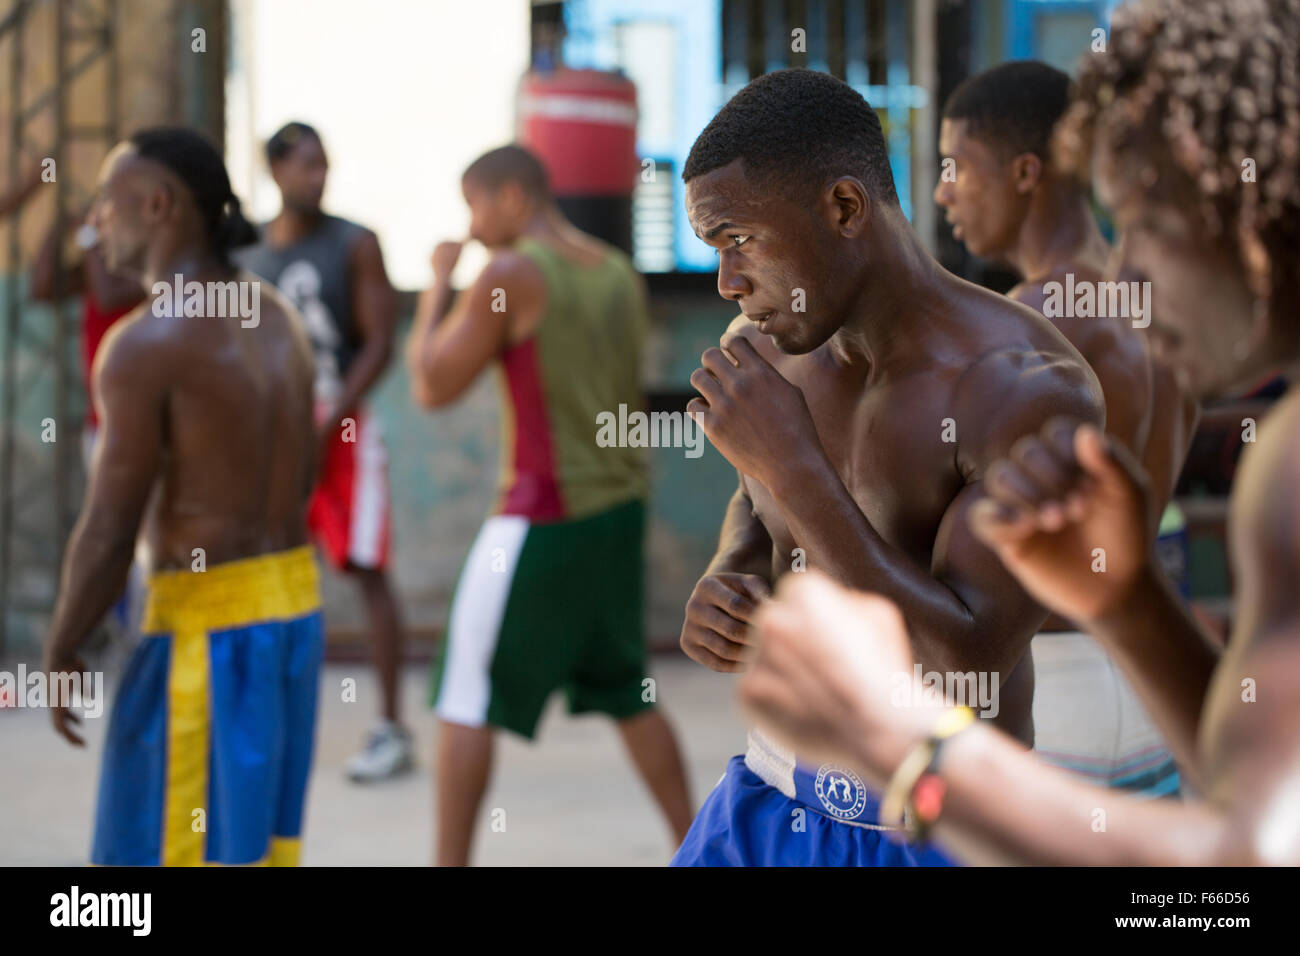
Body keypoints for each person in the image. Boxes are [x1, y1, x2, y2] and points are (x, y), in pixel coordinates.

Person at [738, 0, 1300, 866]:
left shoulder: (1019, 344)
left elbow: (1239, 869)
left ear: (1254, 206)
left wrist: (903, 748)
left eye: (1148, 222)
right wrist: (1128, 602)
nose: (1132, 274)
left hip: (1052, 701)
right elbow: (1248, 794)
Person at [672, 68, 1103, 866]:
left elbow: (968, 658)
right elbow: (757, 507)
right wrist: (731, 575)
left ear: (844, 208)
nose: (729, 284)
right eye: (714, 250)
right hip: (771, 796)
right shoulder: (764, 350)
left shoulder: (1022, 387)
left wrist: (797, 466)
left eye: (740, 241)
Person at [43, 127, 323, 866]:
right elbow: (303, 475)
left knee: (166, 854)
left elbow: (109, 526)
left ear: (158, 205)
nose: (96, 220)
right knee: (257, 849)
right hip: (290, 613)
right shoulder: (277, 317)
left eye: (108, 201)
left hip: (205, 631)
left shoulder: (144, 343)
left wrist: (62, 641)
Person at [408, 145, 693, 866]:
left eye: (474, 205)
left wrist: (438, 287)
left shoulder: (509, 275)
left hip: (541, 512)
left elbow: (433, 385)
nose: (471, 225)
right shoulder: (617, 273)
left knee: (466, 696)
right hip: (620, 506)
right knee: (628, 690)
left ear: (510, 196)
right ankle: (701, 849)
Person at [934, 60, 1199, 796]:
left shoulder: (1026, 325)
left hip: (1043, 693)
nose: (942, 192)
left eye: (958, 166)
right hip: (1148, 678)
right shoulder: (1158, 307)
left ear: (1025, 173)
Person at [235, 122, 412, 782]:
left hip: (341, 426)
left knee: (366, 567)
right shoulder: (249, 250)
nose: (317, 176)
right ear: (276, 169)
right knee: (270, 567)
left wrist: (329, 419)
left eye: (323, 164)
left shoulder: (353, 242)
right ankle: (265, 719)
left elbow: (380, 342)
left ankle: (390, 726)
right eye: (305, 165)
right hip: (272, 427)